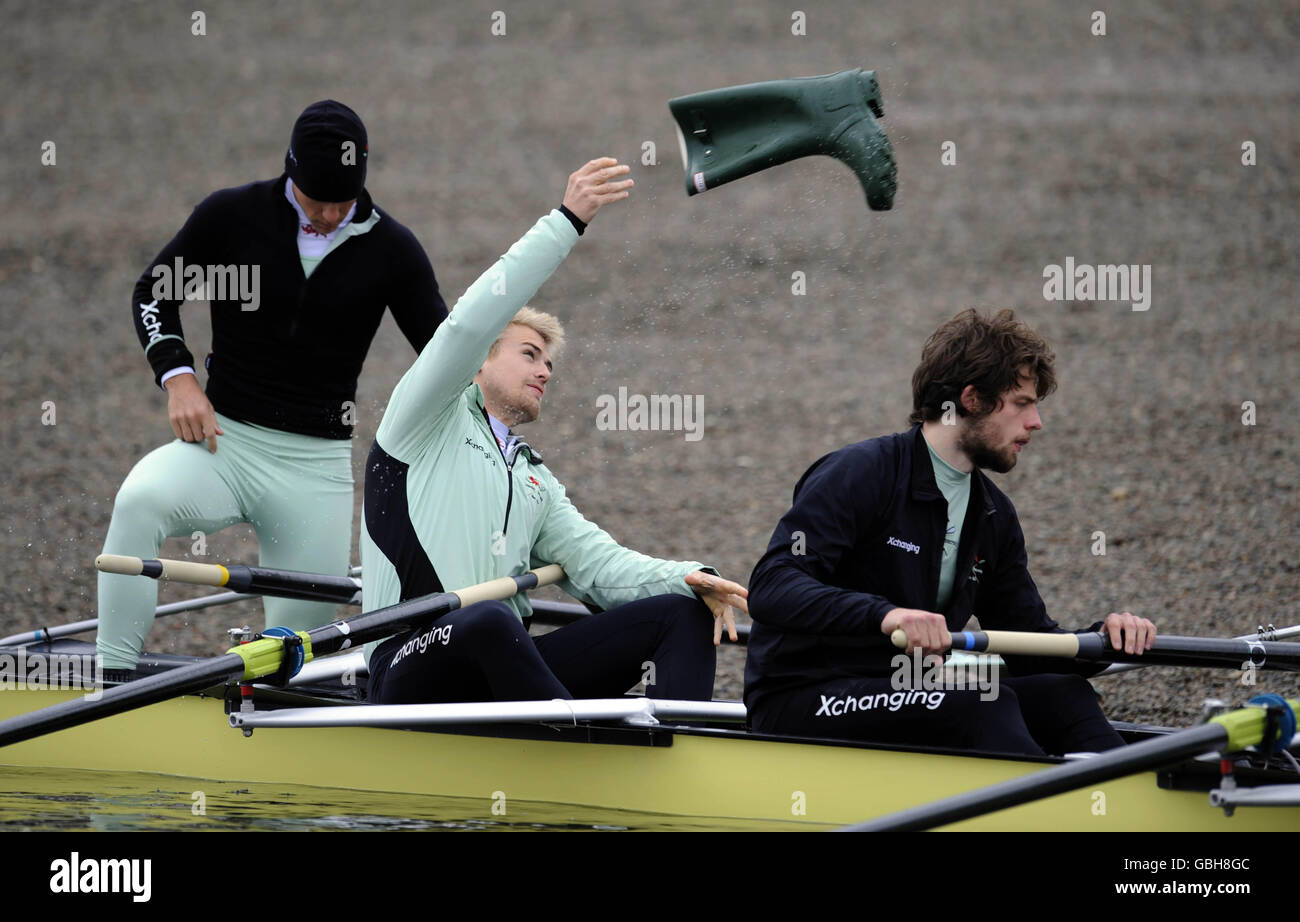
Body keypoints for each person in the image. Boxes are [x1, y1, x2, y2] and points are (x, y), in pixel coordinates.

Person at [362, 157, 748, 706]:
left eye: (549, 362)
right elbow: (470, 322)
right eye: (528, 354)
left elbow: (600, 568)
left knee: (680, 615)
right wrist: (567, 219)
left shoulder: (534, 477)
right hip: (408, 661)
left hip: (499, 666)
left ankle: (681, 753)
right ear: (479, 362)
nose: (545, 370)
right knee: (491, 618)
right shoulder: (422, 418)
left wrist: (690, 576)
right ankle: (569, 738)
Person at [98, 101, 448, 679]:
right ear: (290, 173)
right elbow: (153, 294)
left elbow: (441, 351)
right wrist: (178, 376)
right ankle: (109, 680)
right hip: (222, 445)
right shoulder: (231, 215)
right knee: (138, 503)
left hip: (316, 470)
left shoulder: (394, 248)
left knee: (304, 665)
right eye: (317, 202)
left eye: (345, 202)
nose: (332, 214)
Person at [743, 308, 1156, 756]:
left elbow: (1029, 644)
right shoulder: (861, 473)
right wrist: (886, 615)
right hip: (804, 697)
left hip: (908, 691)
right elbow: (772, 585)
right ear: (972, 398)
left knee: (1062, 694)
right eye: (1022, 403)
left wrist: (1106, 639)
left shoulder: (993, 514)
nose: (1037, 422)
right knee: (982, 702)